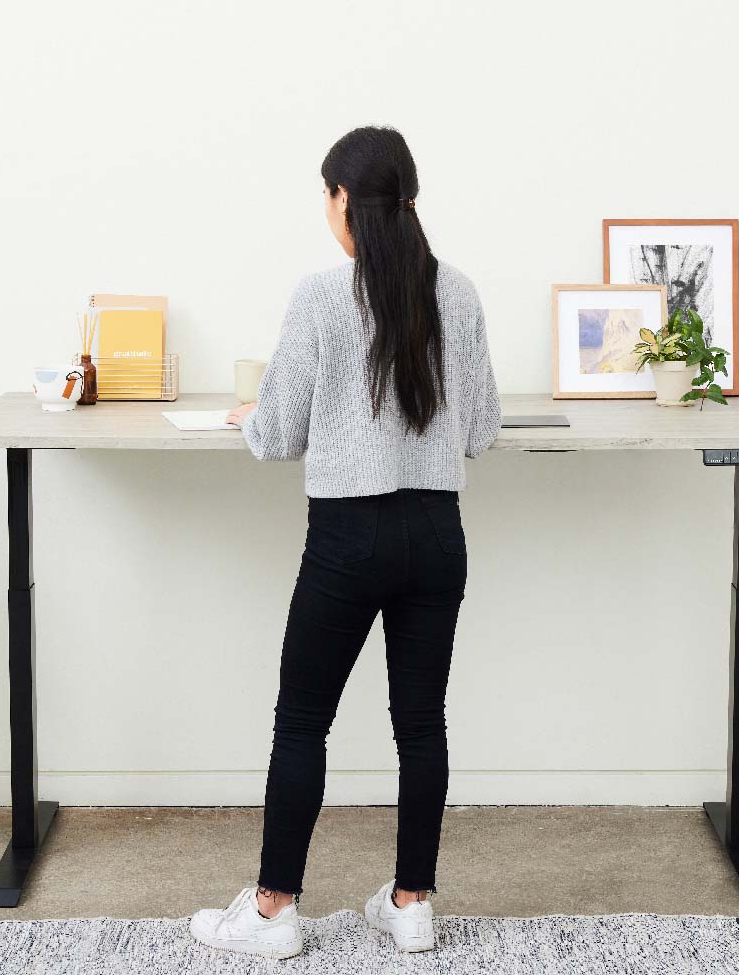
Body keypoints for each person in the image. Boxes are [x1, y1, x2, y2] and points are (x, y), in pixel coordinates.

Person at [189, 125, 501, 959]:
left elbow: (280, 432)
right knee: (422, 724)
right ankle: (410, 903)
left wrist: (250, 418)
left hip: (348, 539)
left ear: (340, 201)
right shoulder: (459, 292)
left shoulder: (322, 297)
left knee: (302, 724)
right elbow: (480, 431)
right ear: (408, 203)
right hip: (437, 533)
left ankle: (271, 913)